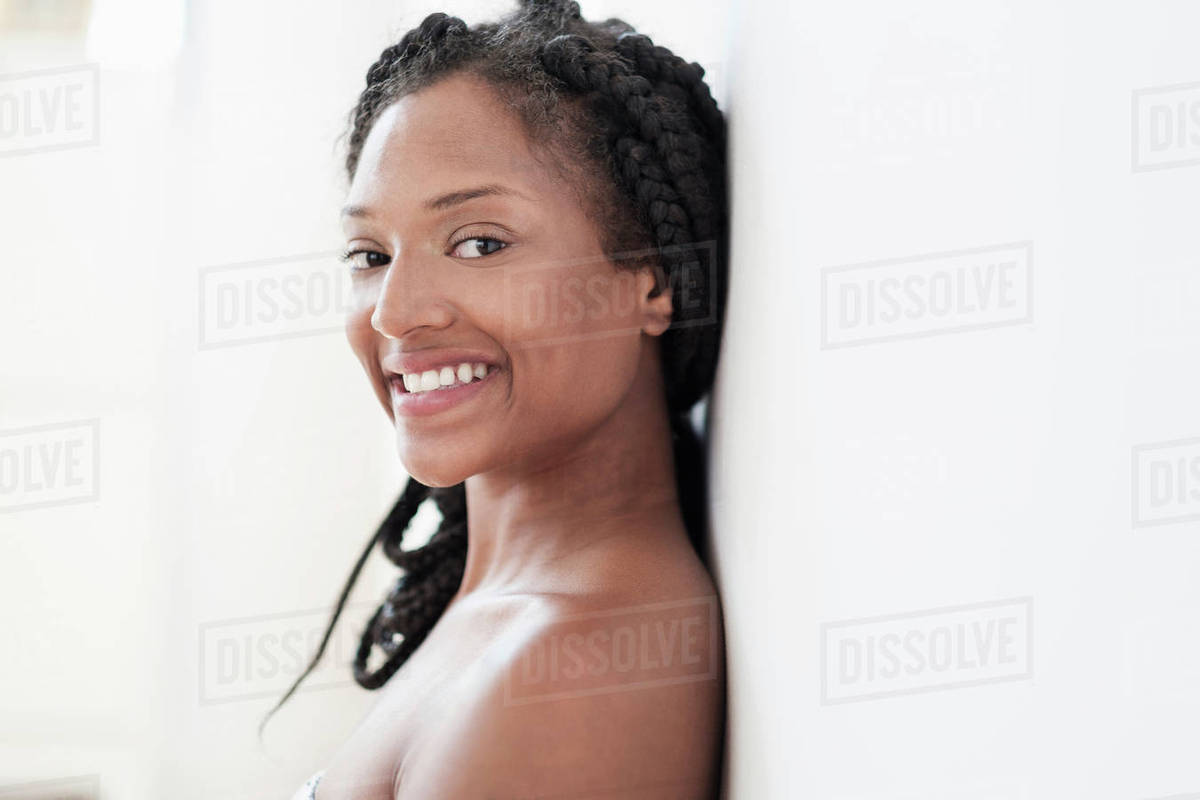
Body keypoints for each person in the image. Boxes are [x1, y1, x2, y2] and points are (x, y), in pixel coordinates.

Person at [270, 1, 729, 796]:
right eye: (370, 253)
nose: (394, 311)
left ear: (650, 279)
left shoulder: (571, 672)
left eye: (479, 243)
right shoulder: (505, 614)